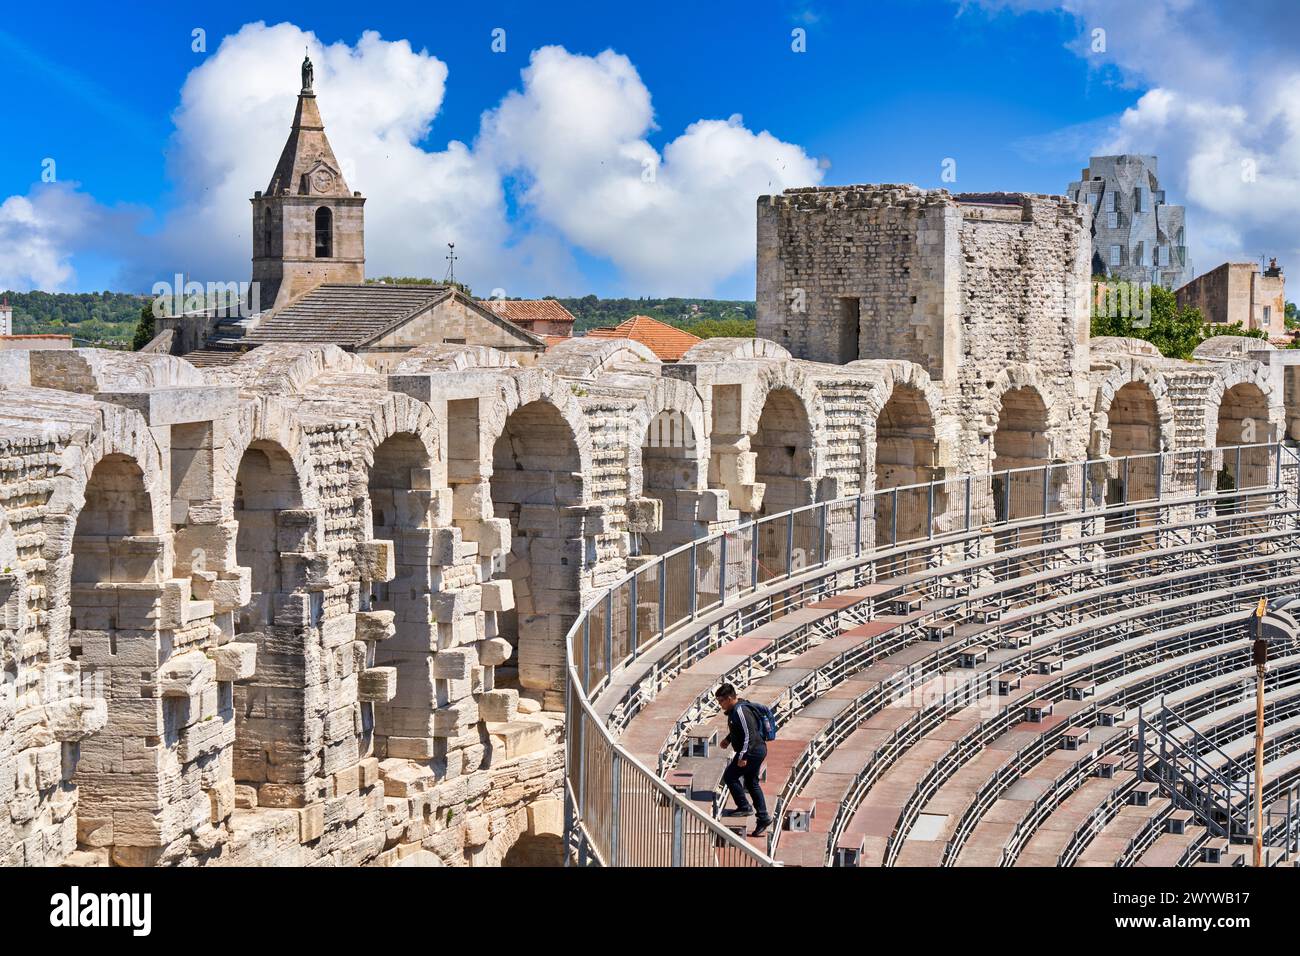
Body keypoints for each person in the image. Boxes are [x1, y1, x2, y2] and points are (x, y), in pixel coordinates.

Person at [714, 683, 772, 836]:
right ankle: (763, 817)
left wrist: (743, 756)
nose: (720, 705)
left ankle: (745, 807)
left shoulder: (740, 711)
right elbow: (738, 730)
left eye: (721, 701)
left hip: (752, 751)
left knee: (730, 776)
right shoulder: (736, 710)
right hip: (755, 750)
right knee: (752, 783)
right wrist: (728, 739)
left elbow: (749, 735)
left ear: (728, 698)